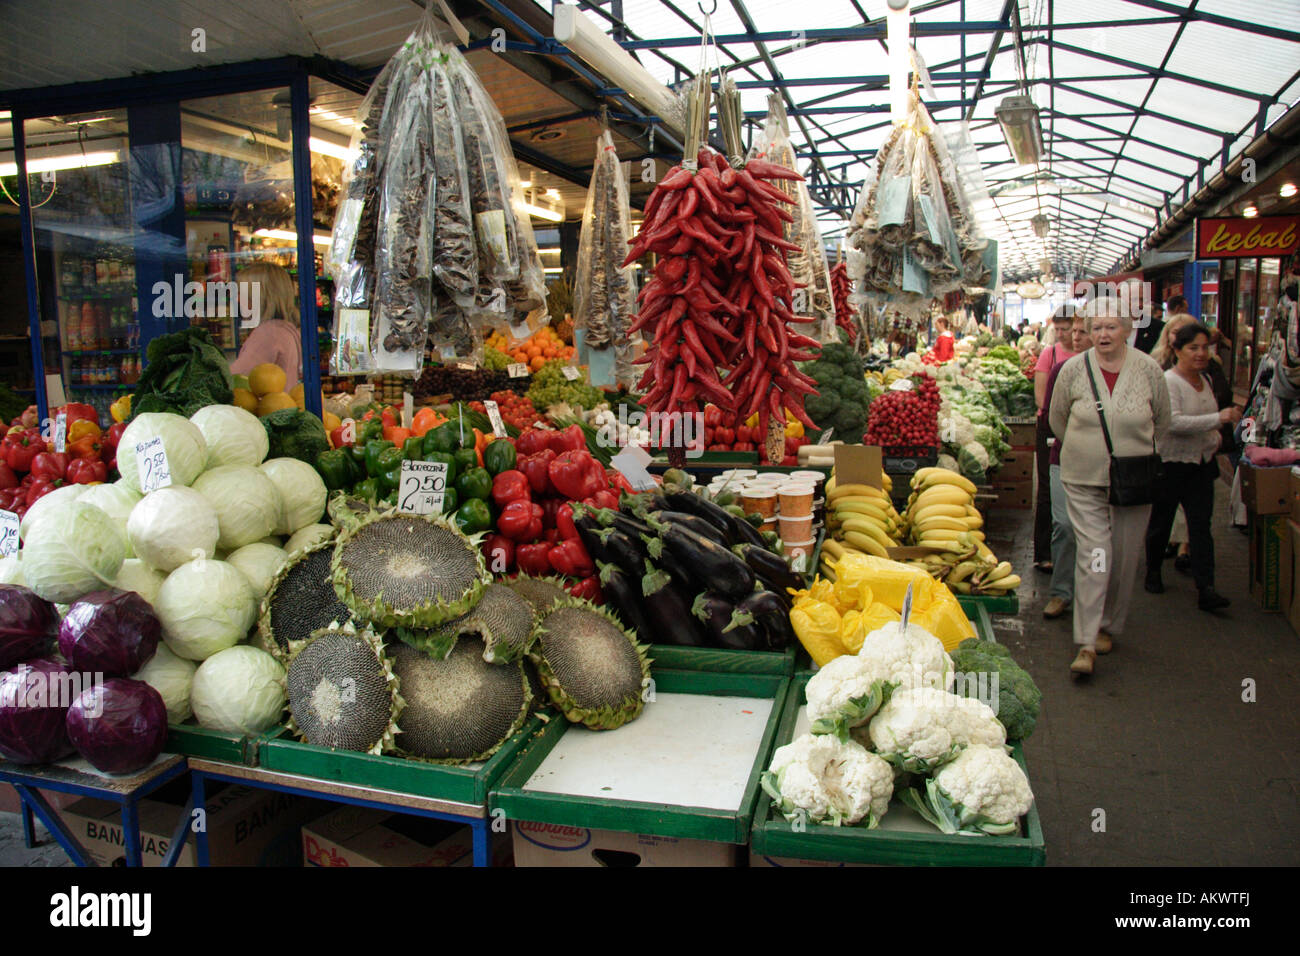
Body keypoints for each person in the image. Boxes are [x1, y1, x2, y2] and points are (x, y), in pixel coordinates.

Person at [1049, 298, 1171, 676]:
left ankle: (1108, 625)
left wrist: (1135, 455)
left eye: (1111, 327)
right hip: (1083, 478)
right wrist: (1088, 451)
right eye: (1095, 327)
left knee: (1123, 555)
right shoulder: (1072, 370)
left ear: (1127, 330)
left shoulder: (1149, 370)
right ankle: (1086, 642)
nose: (1102, 334)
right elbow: (1058, 419)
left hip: (1133, 482)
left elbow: (1163, 422)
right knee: (1095, 554)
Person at [1144, 322, 1241, 611]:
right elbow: (1172, 423)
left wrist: (1212, 438)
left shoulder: (1206, 380)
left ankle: (1206, 587)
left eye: (1205, 348)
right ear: (1177, 351)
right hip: (1171, 464)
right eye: (1193, 348)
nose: (1201, 354)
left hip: (1200, 465)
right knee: (1161, 522)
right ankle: (1152, 572)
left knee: (1201, 527)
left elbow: (1206, 420)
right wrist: (1218, 420)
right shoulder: (1169, 382)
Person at [1042, 313, 1092, 619]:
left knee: (1096, 535)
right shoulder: (1061, 370)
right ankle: (1061, 592)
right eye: (1075, 331)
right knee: (1064, 526)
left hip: (1101, 467)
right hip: (1064, 459)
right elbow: (1051, 415)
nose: (1076, 336)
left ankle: (1091, 596)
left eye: (1082, 331)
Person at [1032, 306, 1078, 572]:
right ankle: (1043, 552)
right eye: (1057, 329)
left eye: (1066, 328)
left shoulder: (1086, 356)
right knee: (1047, 489)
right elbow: (1041, 397)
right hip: (1049, 427)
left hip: (1081, 431)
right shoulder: (1049, 354)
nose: (1061, 334)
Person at [229, 262, 304, 390]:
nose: (236, 300)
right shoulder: (286, 329)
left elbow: (234, 379)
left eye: (240, 293)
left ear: (259, 298)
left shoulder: (269, 334)